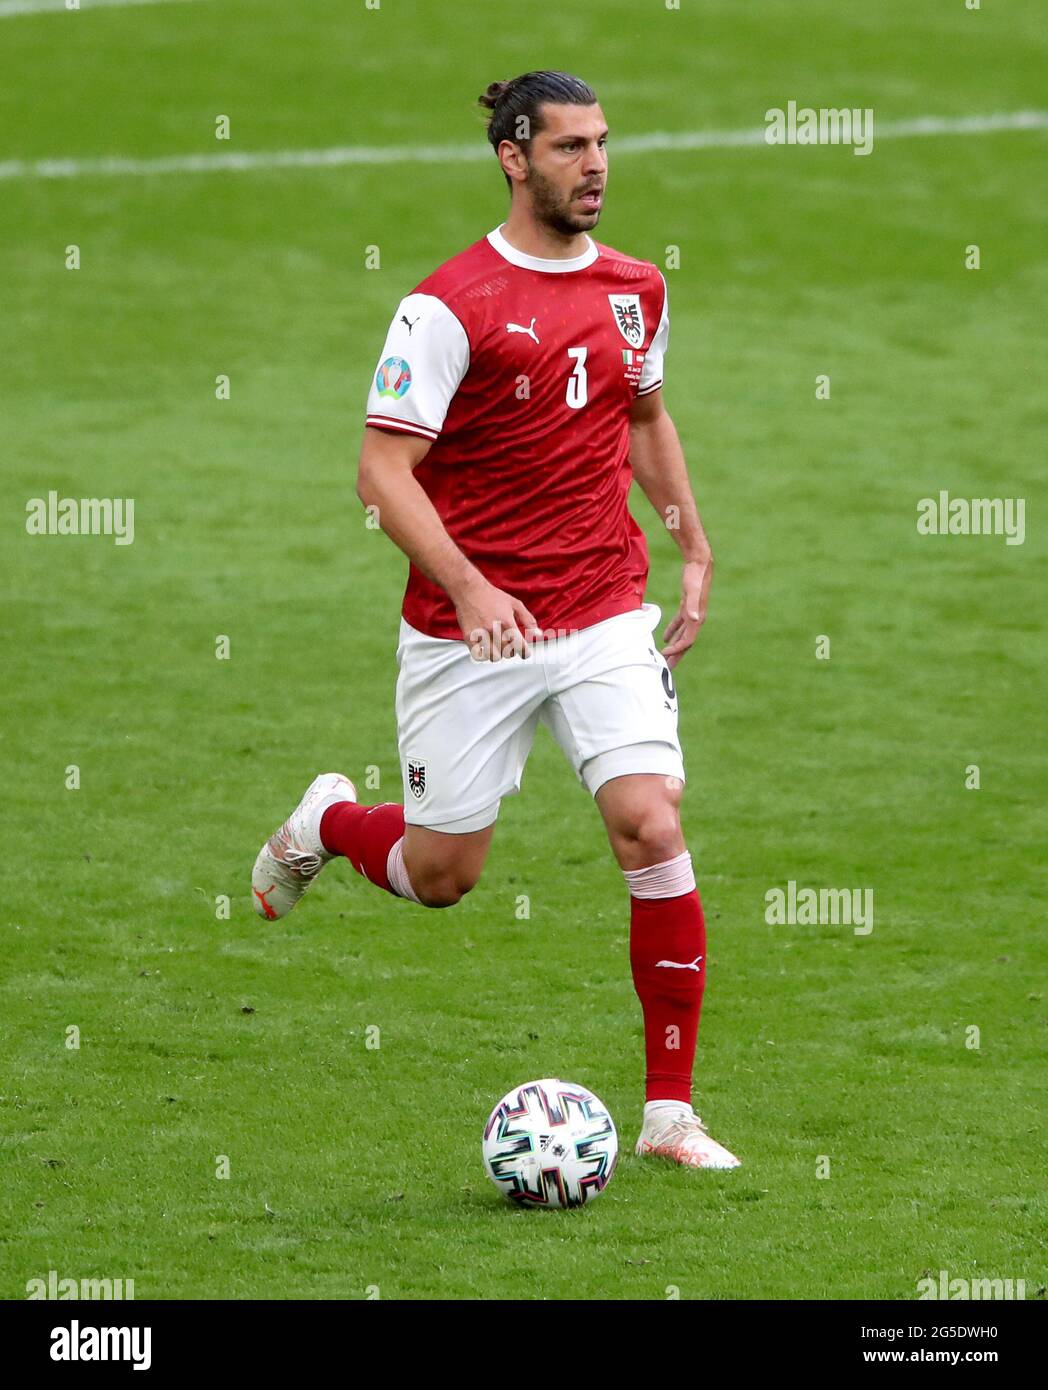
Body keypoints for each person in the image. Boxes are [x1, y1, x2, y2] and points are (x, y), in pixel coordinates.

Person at [252, 71, 739, 1170]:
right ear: (513, 158)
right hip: (469, 630)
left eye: (603, 143)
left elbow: (645, 417)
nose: (596, 165)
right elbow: (383, 472)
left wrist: (691, 542)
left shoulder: (635, 288)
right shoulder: (447, 305)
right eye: (568, 147)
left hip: (602, 607)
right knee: (442, 876)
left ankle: (670, 1112)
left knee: (650, 824)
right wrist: (472, 587)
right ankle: (328, 821)